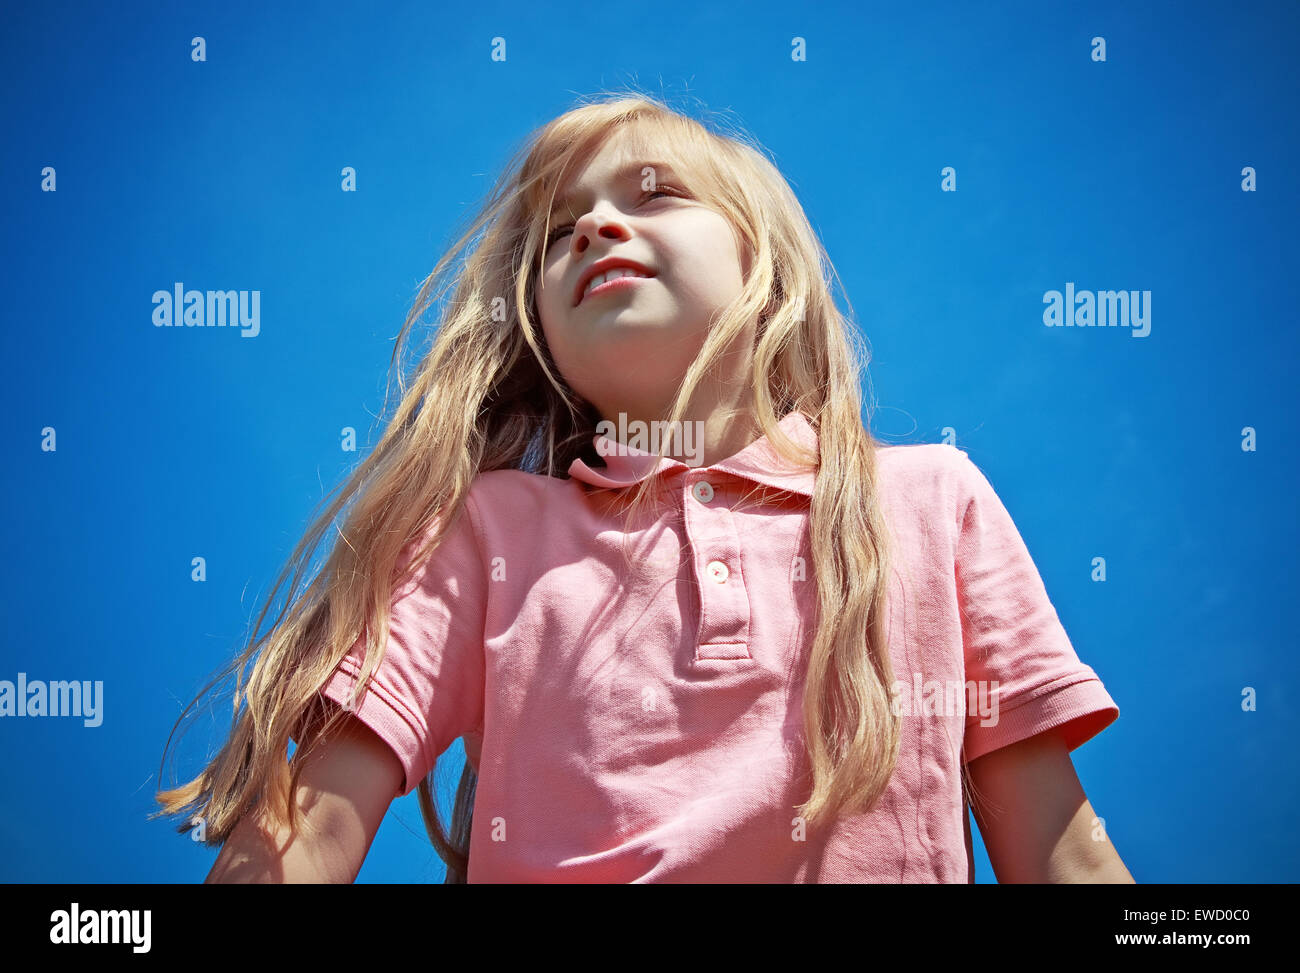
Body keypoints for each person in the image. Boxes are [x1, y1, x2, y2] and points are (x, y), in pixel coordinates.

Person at [153, 90, 1133, 884]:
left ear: (768, 264)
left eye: (654, 192)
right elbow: (308, 834)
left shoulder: (929, 501)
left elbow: (1062, 849)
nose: (594, 228)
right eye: (559, 230)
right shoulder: (488, 533)